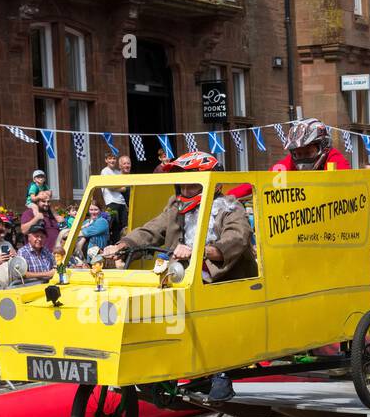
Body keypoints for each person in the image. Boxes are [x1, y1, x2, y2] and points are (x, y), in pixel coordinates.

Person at [103, 152, 256, 401]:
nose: (186, 189)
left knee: (210, 306)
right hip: (182, 272)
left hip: (224, 275)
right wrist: (121, 245)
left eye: (192, 184)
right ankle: (159, 366)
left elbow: (237, 238)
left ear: (212, 183)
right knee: (155, 300)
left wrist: (202, 250)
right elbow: (151, 229)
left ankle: (221, 375)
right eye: (182, 183)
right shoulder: (176, 206)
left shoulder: (230, 206)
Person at [271, 118, 351, 171]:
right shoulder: (290, 162)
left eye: (308, 153)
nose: (303, 157)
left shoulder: (336, 160)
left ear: (323, 147)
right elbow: (270, 178)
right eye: (298, 154)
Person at [103, 154, 130, 240]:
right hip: (111, 202)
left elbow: (122, 185)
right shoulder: (105, 171)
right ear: (106, 160)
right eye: (109, 159)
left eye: (114, 158)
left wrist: (118, 188)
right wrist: (123, 188)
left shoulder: (117, 172)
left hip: (121, 202)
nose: (112, 160)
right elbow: (110, 186)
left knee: (123, 226)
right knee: (110, 224)